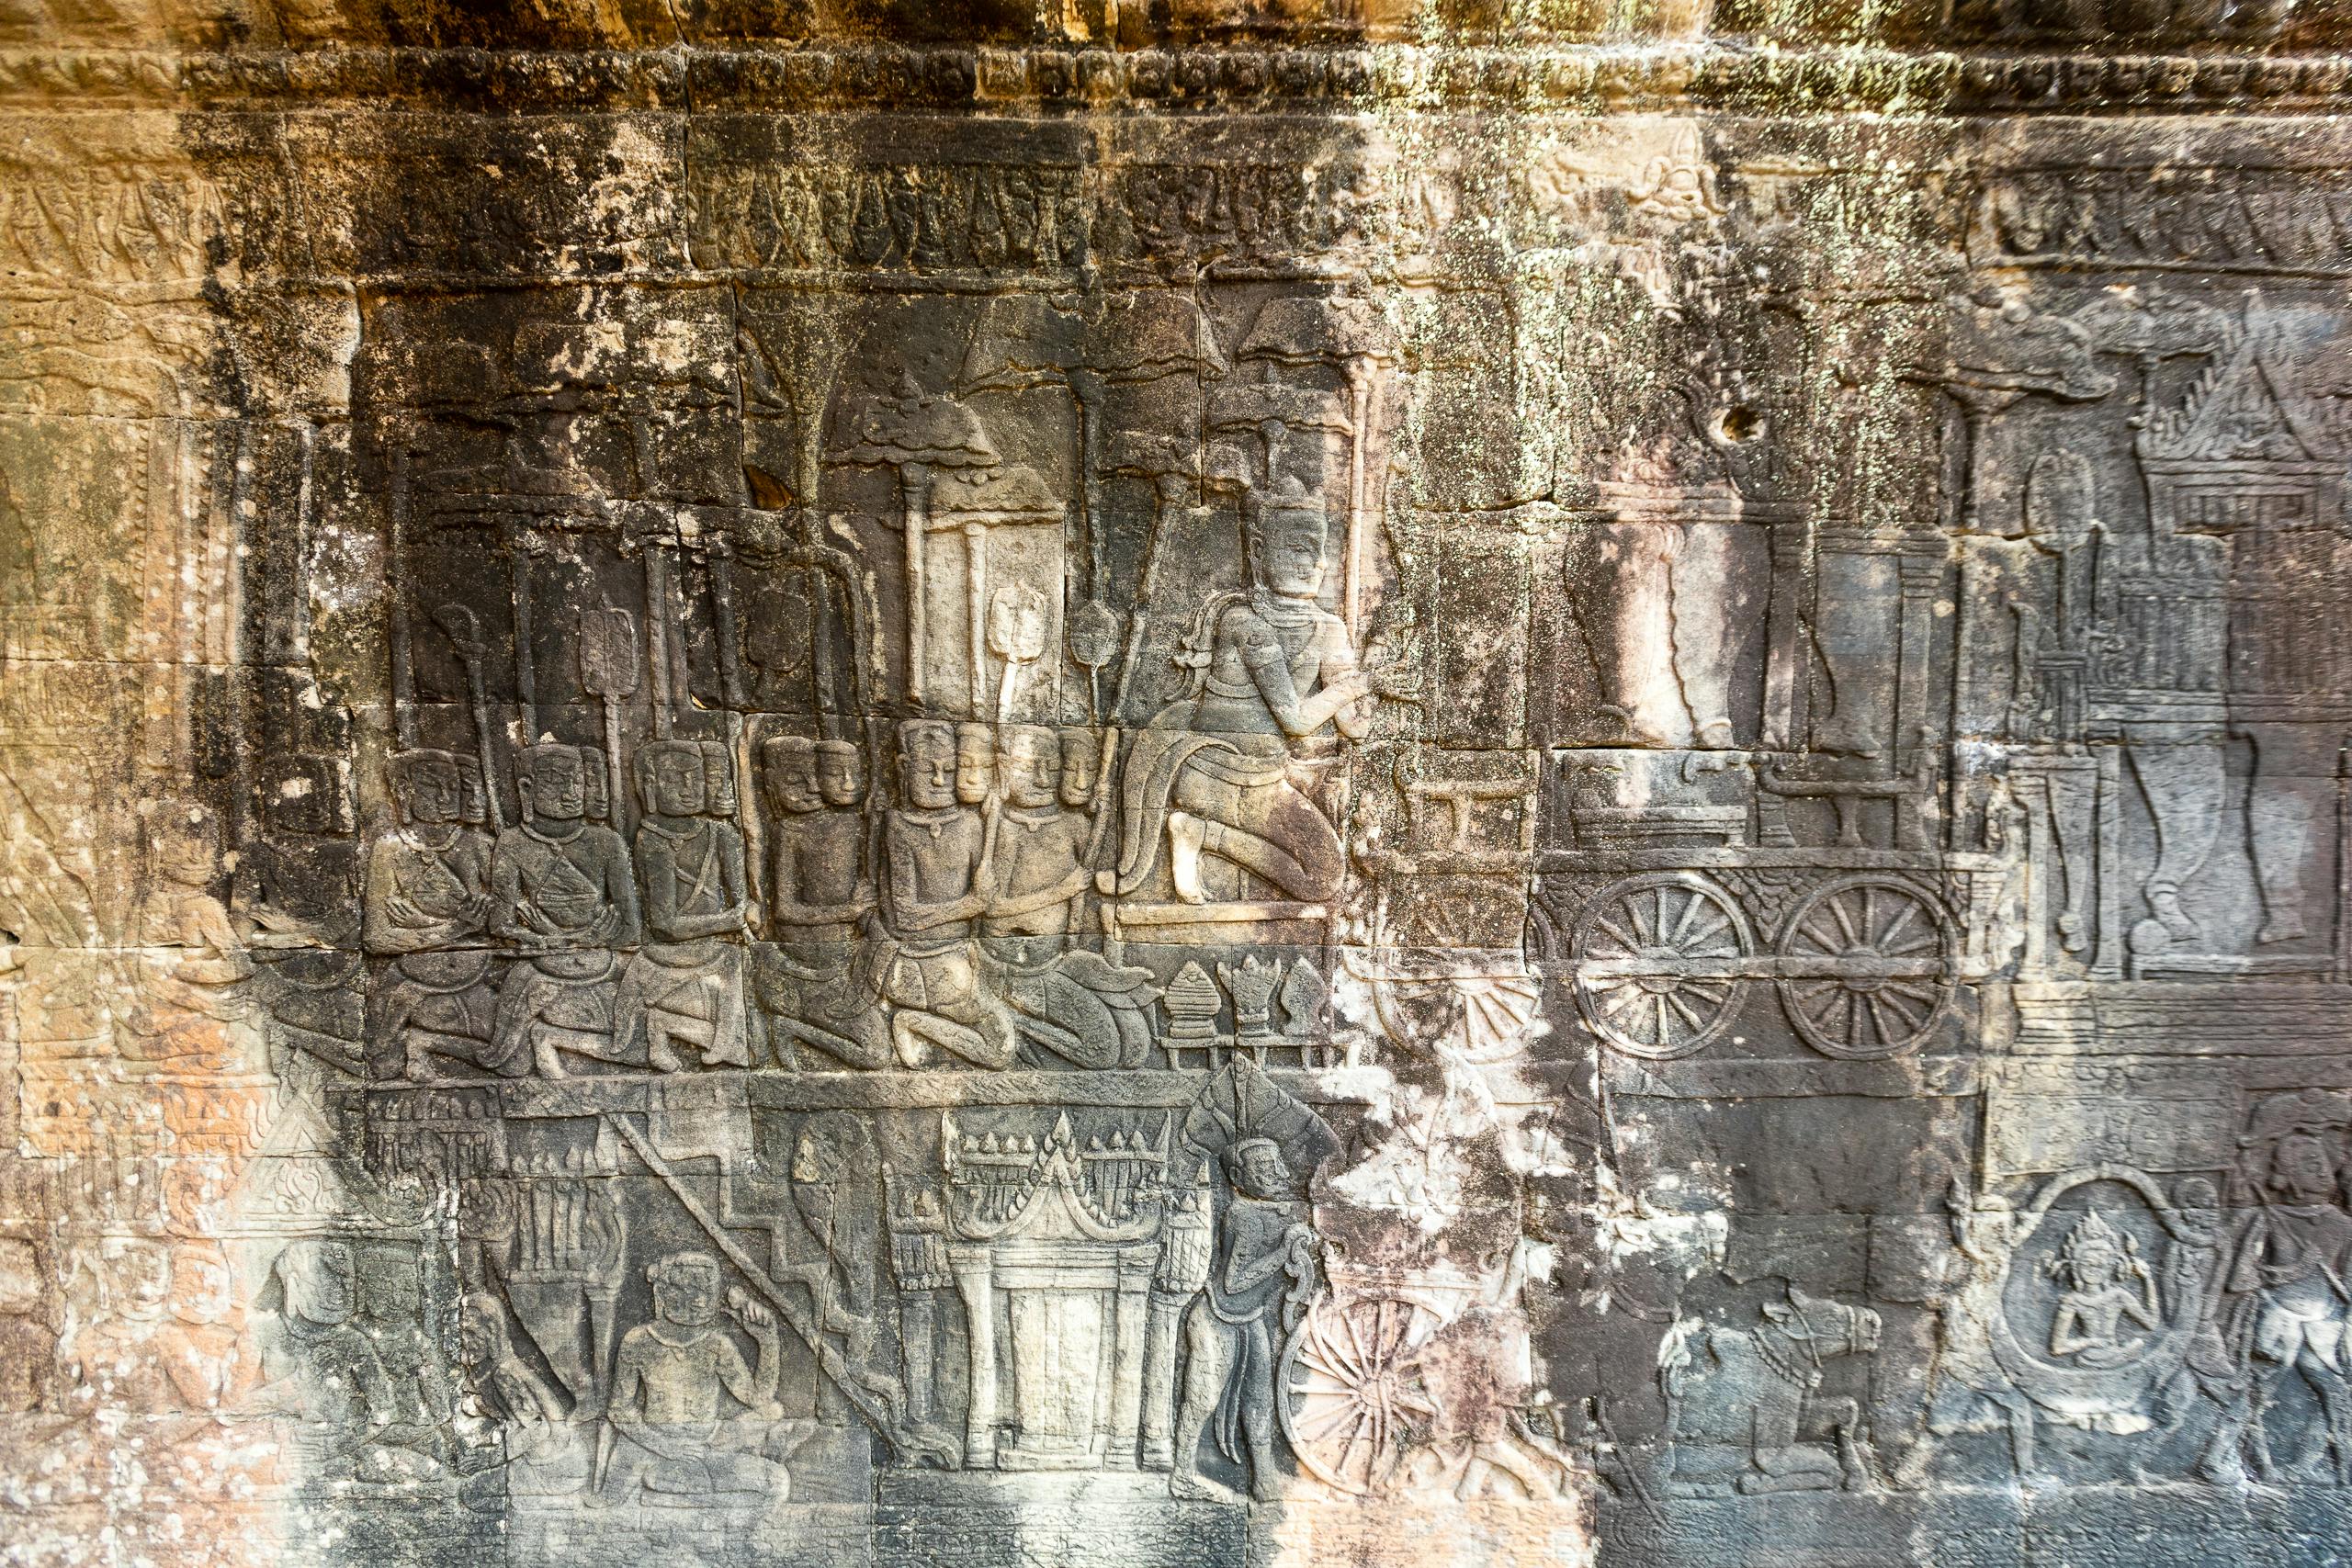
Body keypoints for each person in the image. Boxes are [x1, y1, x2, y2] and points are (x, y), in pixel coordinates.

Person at [1110, 481, 1410, 906]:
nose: (1318, 564)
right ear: (1257, 551)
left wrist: (1368, 668)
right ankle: (1196, 831)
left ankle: (1200, 833)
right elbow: (1296, 719)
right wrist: (1362, 683)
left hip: (1265, 777)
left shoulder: (1328, 627)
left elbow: (1354, 726)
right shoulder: (1243, 622)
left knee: (1323, 879)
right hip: (1217, 775)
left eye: (1321, 550)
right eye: (1299, 549)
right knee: (1324, 877)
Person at [979, 726, 1156, 1069]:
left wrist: (1101, 806)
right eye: (1029, 767)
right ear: (1005, 768)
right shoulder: (1004, 826)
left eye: (1052, 768)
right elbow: (991, 907)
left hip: (1057, 961)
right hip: (1017, 970)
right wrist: (1061, 891)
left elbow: (1102, 862)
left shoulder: (1073, 824)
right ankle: (1012, 1024)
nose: (1043, 779)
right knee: (1104, 1051)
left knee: (1135, 1044)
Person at [1170, 1138, 1317, 1504]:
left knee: (1259, 1397)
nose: (1276, 1174)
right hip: (1217, 1316)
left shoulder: (1270, 1211)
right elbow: (1233, 1282)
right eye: (1263, 1169)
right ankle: (1183, 1475)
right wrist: (1284, 1252)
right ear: (1238, 1177)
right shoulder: (1241, 1214)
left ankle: (1263, 1477)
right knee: (1203, 1397)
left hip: (1249, 1317)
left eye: (1276, 1165)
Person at [603, 1252, 803, 1505]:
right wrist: (665, 1446)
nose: (699, 1300)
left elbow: (759, 1399)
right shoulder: (638, 1341)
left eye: (706, 1291)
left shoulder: (716, 1344)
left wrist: (767, 1341)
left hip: (708, 1445)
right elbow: (619, 1410)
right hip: (654, 1444)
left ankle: (675, 1492)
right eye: (688, 1289)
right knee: (638, 1477)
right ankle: (672, 1489)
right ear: (662, 1292)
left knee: (778, 1477)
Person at [488, 744, 640, 1077]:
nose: (571, 793)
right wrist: (556, 938)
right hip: (545, 963)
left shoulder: (606, 841)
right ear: (526, 788)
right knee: (508, 1057)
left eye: (578, 781)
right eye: (556, 781)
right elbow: (500, 926)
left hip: (603, 963)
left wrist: (581, 938)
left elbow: (631, 928)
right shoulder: (512, 843)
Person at [878, 720, 1012, 1068]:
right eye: (928, 770)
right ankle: (911, 1022)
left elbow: (988, 903)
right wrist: (969, 905)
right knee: (1000, 1049)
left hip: (962, 958)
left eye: (949, 770)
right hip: (924, 964)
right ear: (904, 768)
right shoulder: (899, 826)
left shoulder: (970, 824)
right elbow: (906, 915)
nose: (939, 781)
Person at [617, 740, 754, 1071]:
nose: (688, 788)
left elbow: (743, 901)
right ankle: (672, 1027)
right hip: (671, 956)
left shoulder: (720, 833)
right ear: (651, 786)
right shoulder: (652, 841)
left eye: (696, 778)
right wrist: (730, 921)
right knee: (743, 1044)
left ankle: (675, 1027)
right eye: (675, 779)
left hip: (716, 952)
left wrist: (746, 914)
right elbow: (664, 925)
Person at [364, 749, 500, 1080]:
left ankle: (425, 1044)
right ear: (405, 793)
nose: (444, 797)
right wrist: (455, 928)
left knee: (508, 1055)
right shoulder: (389, 850)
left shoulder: (479, 846)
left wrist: (420, 924)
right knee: (383, 1066)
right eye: (431, 787)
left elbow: (502, 923)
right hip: (411, 979)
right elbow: (377, 938)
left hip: (479, 975)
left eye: (452, 787)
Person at [757, 736, 889, 1068]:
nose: (813, 787)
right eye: (796, 781)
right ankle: (789, 1028)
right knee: (875, 1054)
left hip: (849, 959)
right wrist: (847, 911)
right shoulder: (790, 831)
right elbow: (784, 909)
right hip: (810, 964)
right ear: (771, 785)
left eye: (816, 776)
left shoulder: (854, 823)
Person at [2045, 1211, 2163, 1367]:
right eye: (2087, 1264)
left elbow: (2151, 1323)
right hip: (2089, 1357)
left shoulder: (2119, 1296)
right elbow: (2057, 1347)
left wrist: (2147, 1280)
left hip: (2116, 1352)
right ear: (2075, 1266)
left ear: (2111, 1268)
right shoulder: (2072, 1300)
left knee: (2136, 1345)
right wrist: (2090, 1342)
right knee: (2087, 1358)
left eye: (2101, 1265)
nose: (2093, 1270)